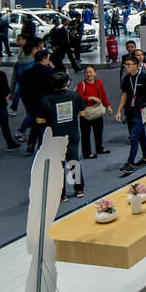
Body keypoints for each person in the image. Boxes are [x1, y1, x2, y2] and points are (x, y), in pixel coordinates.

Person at [39, 70, 86, 199]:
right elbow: (82, 113)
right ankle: (79, 189)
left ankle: (61, 194)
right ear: (67, 82)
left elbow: (39, 120)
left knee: (57, 166)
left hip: (55, 137)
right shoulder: (75, 96)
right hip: (72, 135)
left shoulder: (46, 99)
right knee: (74, 161)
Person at [116, 54, 146, 176]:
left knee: (133, 137)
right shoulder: (126, 79)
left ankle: (130, 163)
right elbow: (125, 94)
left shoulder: (144, 77)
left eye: (128, 64)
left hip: (141, 110)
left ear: (136, 65)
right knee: (140, 134)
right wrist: (119, 110)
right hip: (130, 111)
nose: (126, 66)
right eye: (125, 64)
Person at [19, 50, 56, 154]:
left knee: (36, 122)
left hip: (31, 103)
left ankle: (31, 144)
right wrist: (52, 67)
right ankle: (41, 146)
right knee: (44, 125)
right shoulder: (49, 72)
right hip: (46, 103)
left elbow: (23, 89)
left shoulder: (26, 73)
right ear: (45, 59)